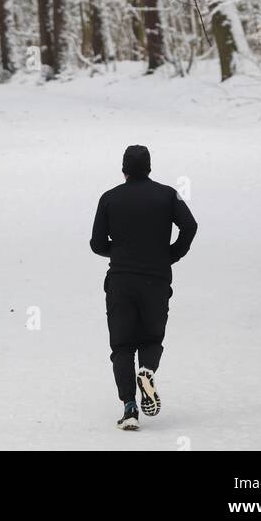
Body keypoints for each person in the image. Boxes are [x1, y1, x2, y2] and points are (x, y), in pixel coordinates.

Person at [90, 144, 198, 430]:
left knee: (122, 346)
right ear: (149, 167)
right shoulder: (167, 195)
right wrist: (171, 253)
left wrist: (121, 251)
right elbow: (190, 225)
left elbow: (97, 244)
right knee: (151, 338)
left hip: (121, 281)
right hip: (156, 279)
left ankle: (129, 408)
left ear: (123, 168)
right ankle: (147, 370)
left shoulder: (109, 198)